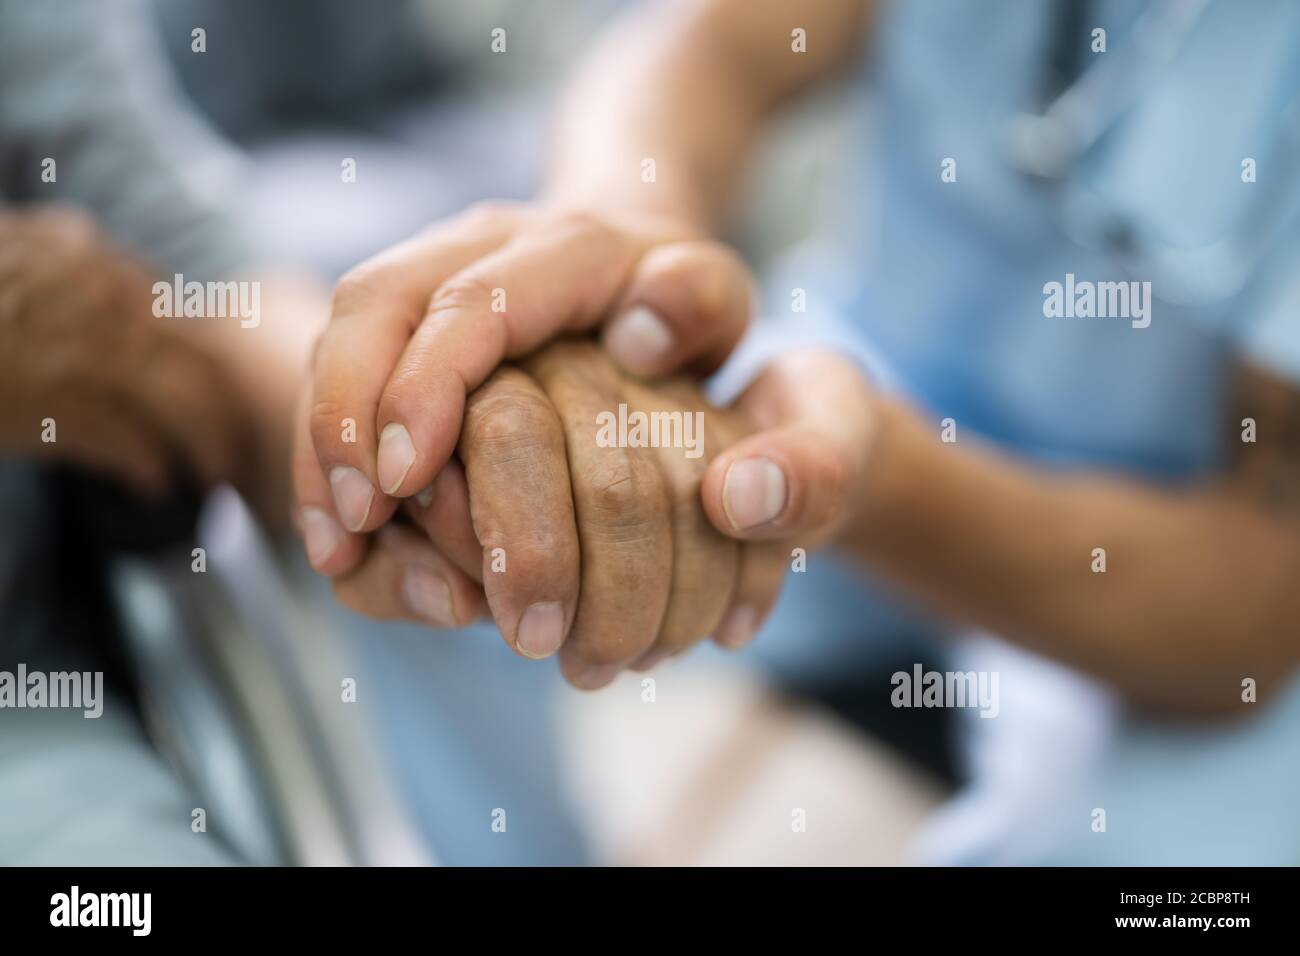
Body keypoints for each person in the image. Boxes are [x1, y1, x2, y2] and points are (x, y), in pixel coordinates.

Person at [297, 0, 1300, 863]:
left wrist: (872, 483)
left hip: (1163, 567)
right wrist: (618, 235)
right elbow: (713, 45)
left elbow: (1258, 597)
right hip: (850, 380)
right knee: (448, 491)